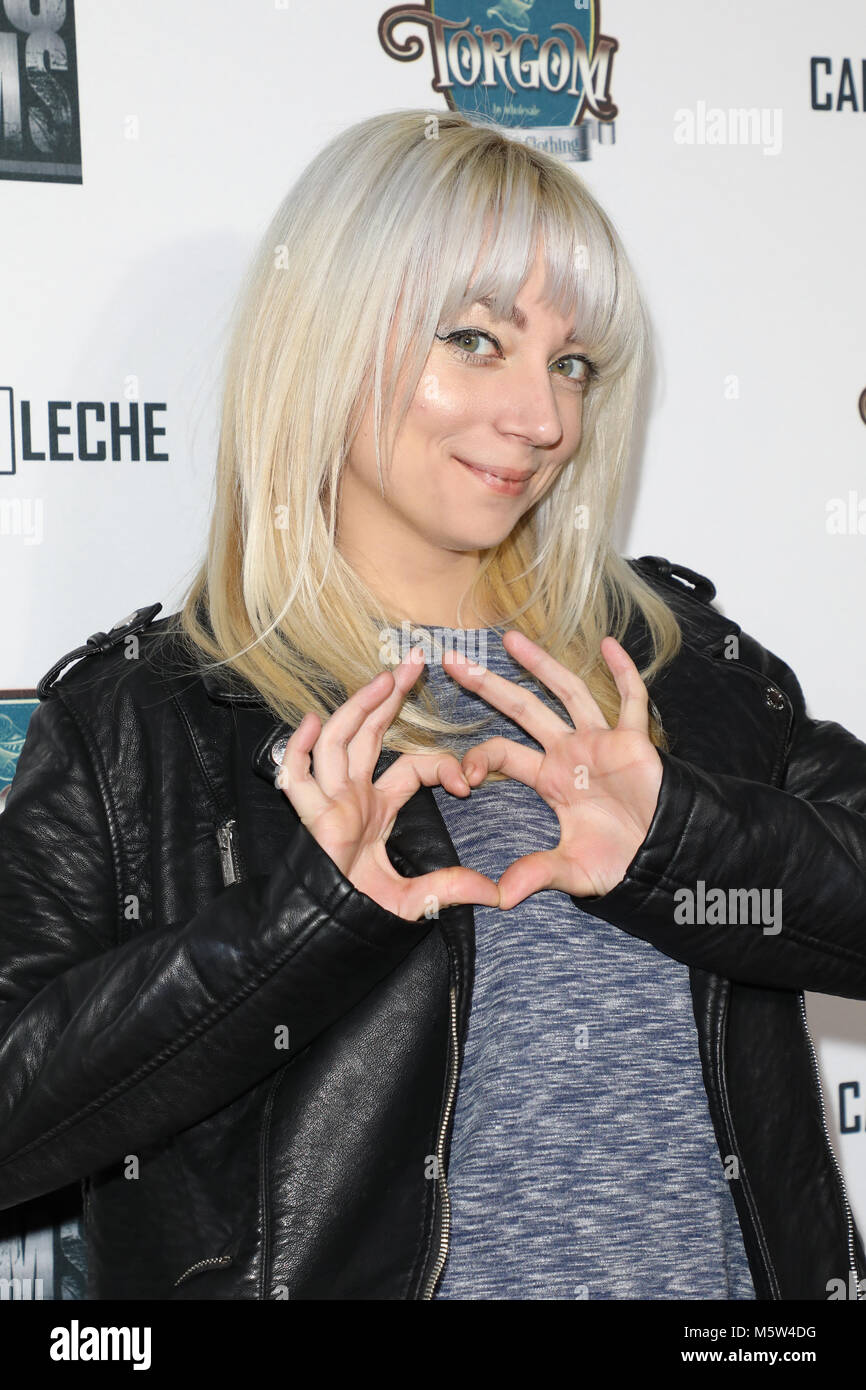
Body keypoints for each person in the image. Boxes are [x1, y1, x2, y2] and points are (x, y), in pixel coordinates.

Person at [1, 106, 865, 1302]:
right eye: (474, 340)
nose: (543, 419)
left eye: (570, 363)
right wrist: (303, 921)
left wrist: (676, 839)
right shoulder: (147, 724)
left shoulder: (677, 669)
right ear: (326, 336)